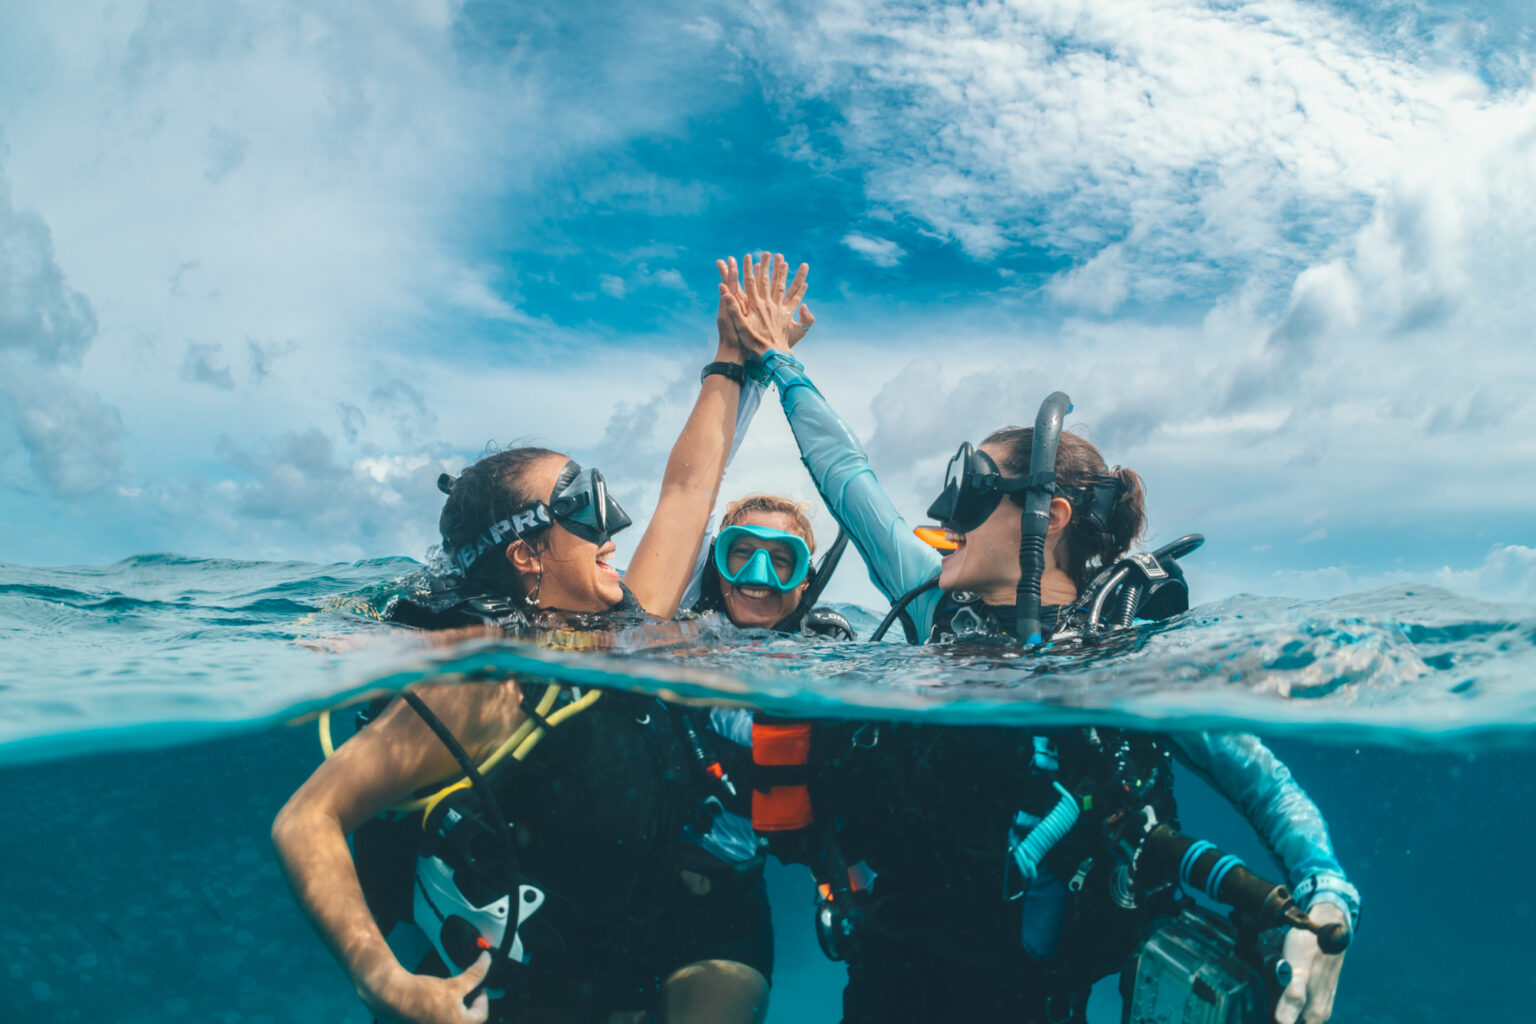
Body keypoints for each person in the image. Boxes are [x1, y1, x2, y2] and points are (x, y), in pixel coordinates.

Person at [721, 269, 1358, 1024]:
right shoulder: (934, 607)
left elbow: (1266, 785)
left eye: (971, 487)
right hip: (890, 980)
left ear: (1048, 516)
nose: (940, 512)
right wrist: (778, 363)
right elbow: (846, 476)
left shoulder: (1130, 656)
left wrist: (1327, 899)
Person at [272, 254, 810, 1024]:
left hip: (618, 950)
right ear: (525, 553)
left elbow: (689, 488)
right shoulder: (484, 684)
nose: (613, 525)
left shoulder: (629, 618)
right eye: (583, 507)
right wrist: (384, 980)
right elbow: (306, 820)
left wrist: (731, 354)